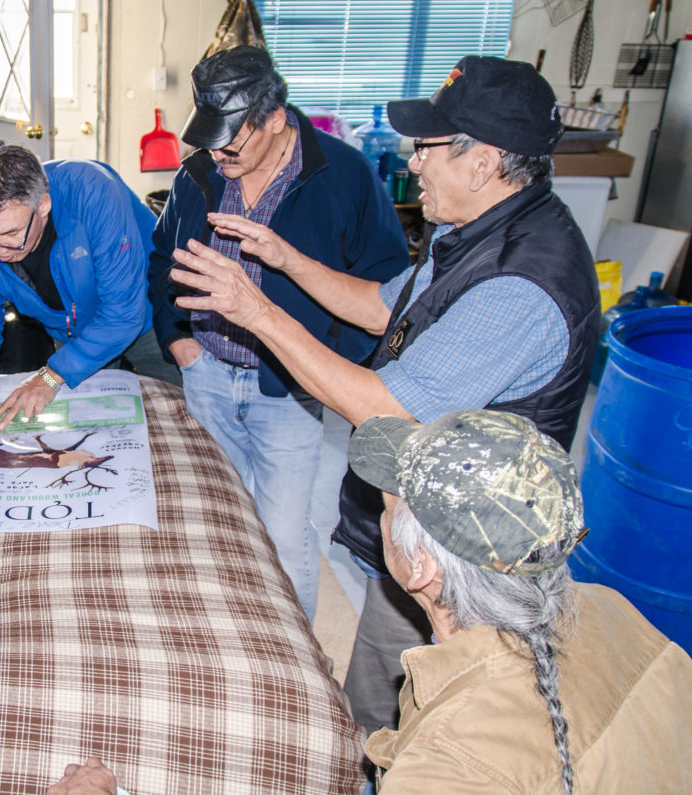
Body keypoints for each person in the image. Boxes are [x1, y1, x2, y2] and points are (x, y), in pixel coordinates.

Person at [166, 55, 600, 737]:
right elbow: (380, 308)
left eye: (427, 147)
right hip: (421, 531)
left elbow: (384, 407)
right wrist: (284, 258)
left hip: (475, 563)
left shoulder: (520, 286)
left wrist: (255, 311)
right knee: (378, 701)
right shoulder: (472, 235)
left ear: (483, 161)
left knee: (450, 725)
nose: (413, 162)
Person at [148, 45, 408, 621]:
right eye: (209, 138)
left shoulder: (344, 176)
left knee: (285, 537)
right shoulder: (199, 172)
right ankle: (229, 629)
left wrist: (323, 366)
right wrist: (180, 343)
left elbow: (388, 290)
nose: (217, 153)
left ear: (273, 118)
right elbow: (162, 257)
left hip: (287, 391)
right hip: (207, 372)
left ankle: (298, 662)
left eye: (231, 140)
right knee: (220, 519)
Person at [347, 409, 692, 793]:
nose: (383, 508)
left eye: (391, 500)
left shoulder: (443, 767)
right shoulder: (607, 604)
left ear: (421, 567)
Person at [0, 141, 180, 431]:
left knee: (172, 414)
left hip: (146, 314)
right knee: (85, 427)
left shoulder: (93, 192)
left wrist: (51, 375)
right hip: (71, 331)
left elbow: (123, 314)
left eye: (12, 234)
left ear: (43, 204)